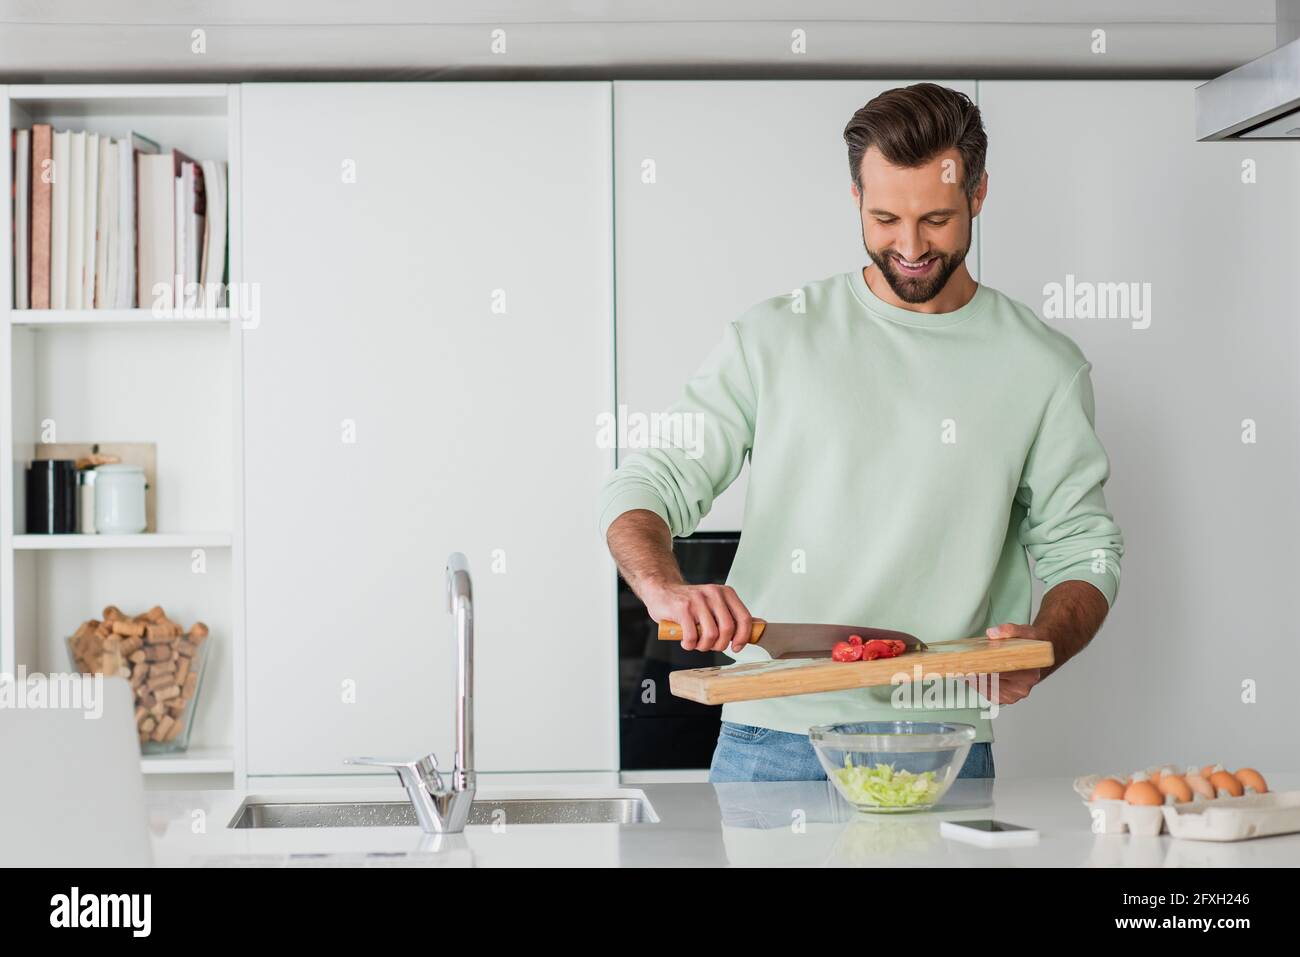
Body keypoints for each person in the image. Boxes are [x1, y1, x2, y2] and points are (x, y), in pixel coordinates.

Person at [598, 83, 1124, 783]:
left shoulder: (1043, 367)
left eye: (935, 218)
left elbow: (1084, 550)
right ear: (855, 200)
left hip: (940, 742)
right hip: (773, 741)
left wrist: (1045, 645)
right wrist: (664, 589)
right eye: (884, 218)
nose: (909, 246)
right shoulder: (775, 336)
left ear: (979, 193)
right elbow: (647, 484)